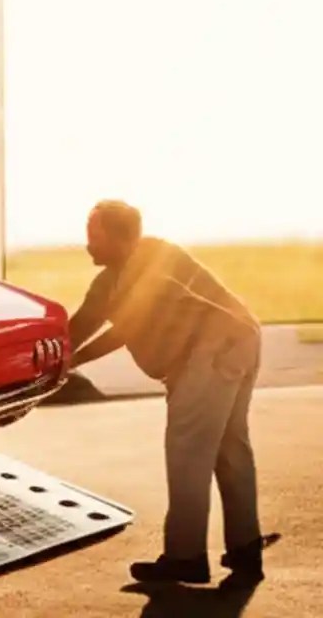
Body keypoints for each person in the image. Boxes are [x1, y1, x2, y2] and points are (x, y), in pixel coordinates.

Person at [66, 199, 267, 590]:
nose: (87, 244)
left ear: (121, 238)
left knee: (188, 451)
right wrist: (52, 356)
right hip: (238, 338)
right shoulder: (113, 278)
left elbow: (125, 327)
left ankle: (185, 556)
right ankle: (245, 549)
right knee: (230, 448)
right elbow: (83, 323)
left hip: (213, 348)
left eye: (95, 237)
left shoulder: (152, 262)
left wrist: (72, 361)